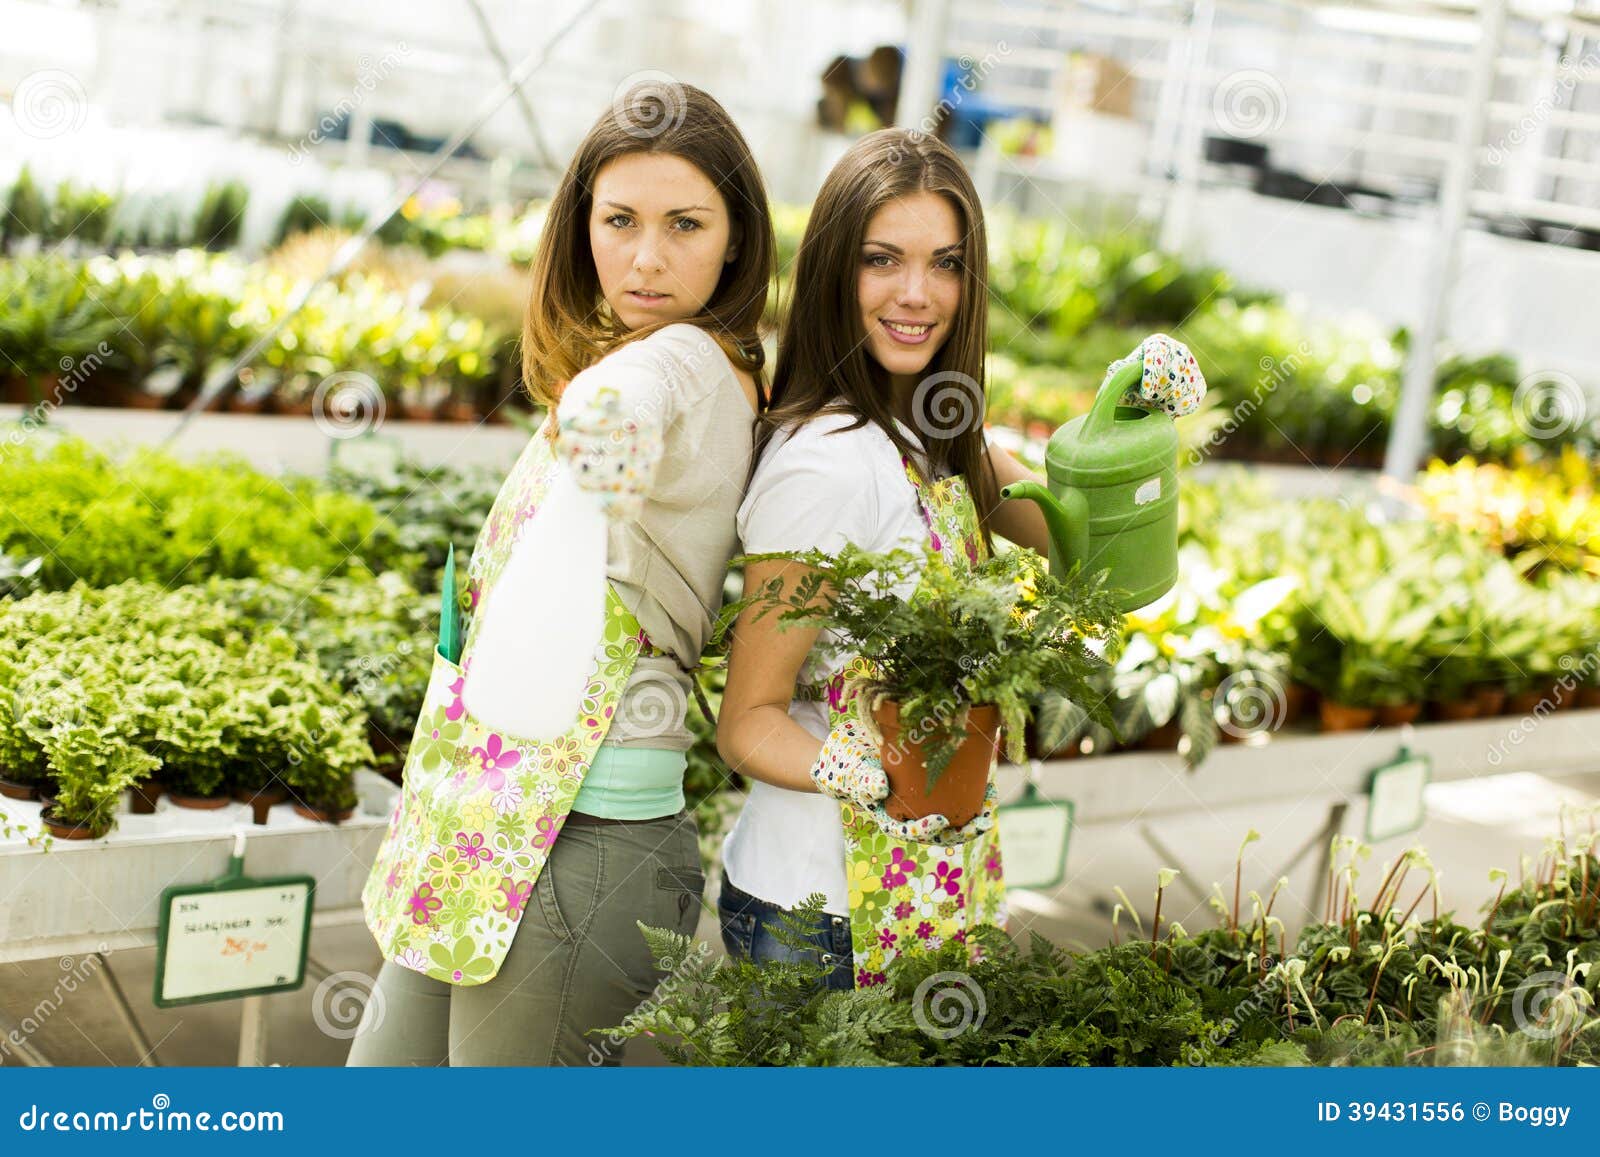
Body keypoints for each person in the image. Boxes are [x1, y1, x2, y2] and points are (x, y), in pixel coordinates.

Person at [349, 82, 774, 1064]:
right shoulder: (635, 354)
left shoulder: (687, 365)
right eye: (619, 220)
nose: (647, 255)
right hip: (487, 812)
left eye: (685, 224)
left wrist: (602, 414)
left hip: (585, 833)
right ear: (580, 225)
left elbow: (641, 390)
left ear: (736, 240)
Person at [714, 129, 1053, 991]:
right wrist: (882, 776)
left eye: (945, 264)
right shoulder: (827, 461)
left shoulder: (930, 436)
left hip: (928, 889)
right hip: (820, 916)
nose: (917, 293)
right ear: (835, 270)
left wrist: (1132, 428)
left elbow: (1088, 545)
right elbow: (747, 721)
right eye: (881, 260)